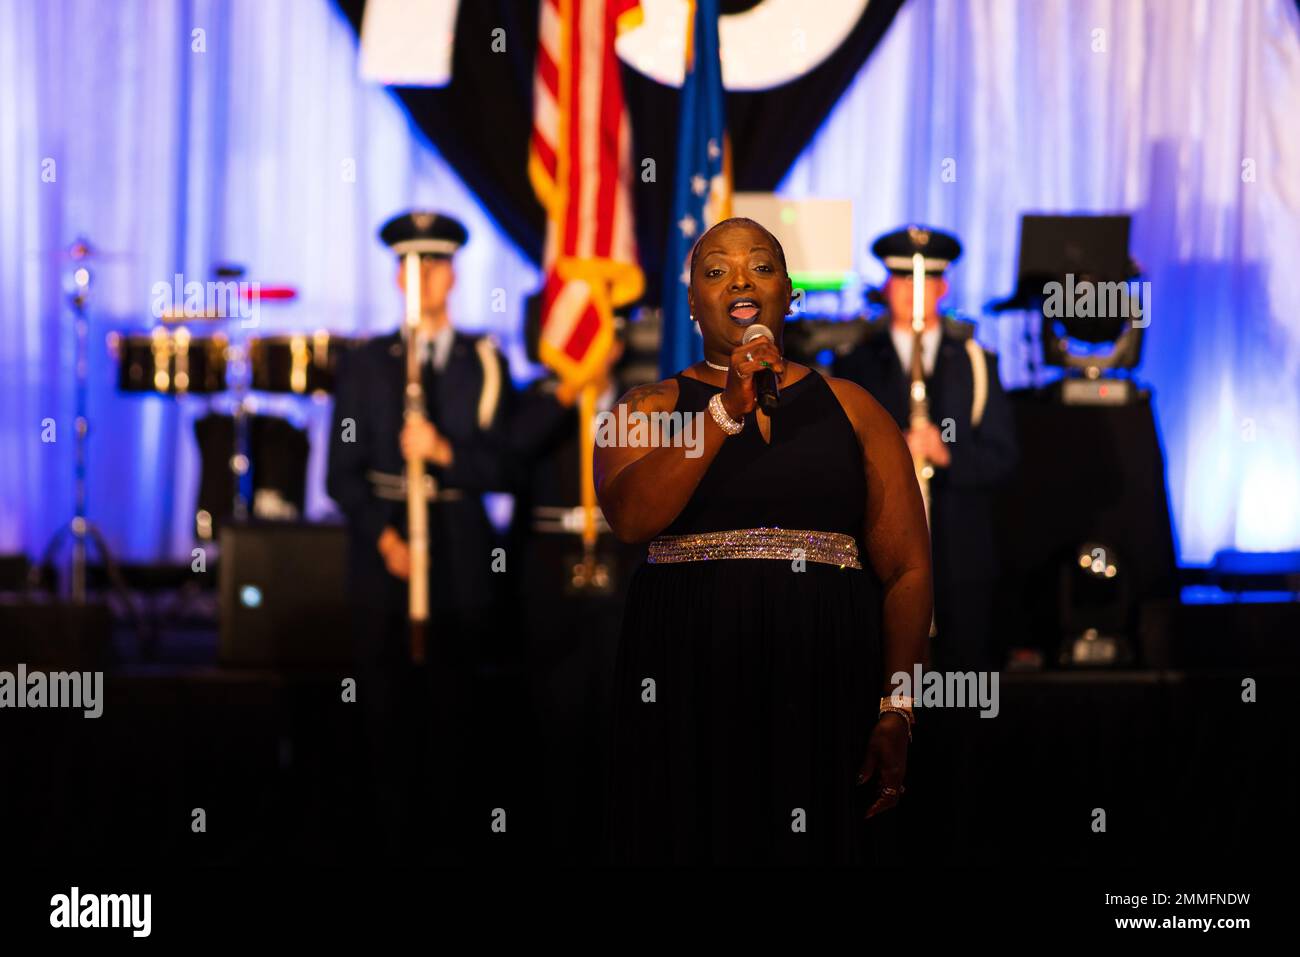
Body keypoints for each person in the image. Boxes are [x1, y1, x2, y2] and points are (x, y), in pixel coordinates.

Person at [595, 217, 933, 865]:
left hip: (822, 681)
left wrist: (898, 706)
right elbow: (631, 516)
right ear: (691, 302)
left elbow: (907, 570)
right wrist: (724, 411)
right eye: (715, 271)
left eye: (761, 266)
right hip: (687, 686)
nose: (741, 279)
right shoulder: (646, 406)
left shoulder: (856, 408)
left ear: (789, 294)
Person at [326, 210, 514, 861]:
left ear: (452, 274)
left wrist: (442, 451)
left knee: (455, 719)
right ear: (395, 274)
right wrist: (387, 540)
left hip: (460, 558)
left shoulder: (482, 361)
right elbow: (340, 475)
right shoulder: (365, 365)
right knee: (385, 720)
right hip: (384, 567)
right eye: (411, 265)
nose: (423, 276)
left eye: (433, 264)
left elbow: (503, 462)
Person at [833, 226, 1017, 673]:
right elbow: (836, 462)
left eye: (922, 282)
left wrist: (948, 454)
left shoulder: (976, 362)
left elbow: (1004, 456)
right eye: (901, 281)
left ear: (941, 287)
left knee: (963, 688)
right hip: (881, 557)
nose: (911, 294)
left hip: (960, 562)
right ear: (887, 286)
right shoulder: (854, 364)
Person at [506, 302, 642, 863]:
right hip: (551, 576)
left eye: (603, 331)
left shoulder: (644, 402)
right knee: (556, 725)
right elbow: (508, 455)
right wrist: (569, 388)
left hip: (624, 572)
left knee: (621, 723)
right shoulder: (539, 400)